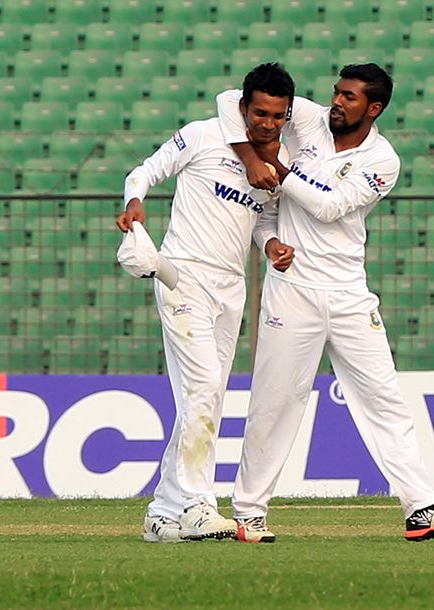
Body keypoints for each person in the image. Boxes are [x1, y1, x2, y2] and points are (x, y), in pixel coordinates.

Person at [216, 63, 434, 543]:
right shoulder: (308, 118)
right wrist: (260, 195)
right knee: (275, 403)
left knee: (384, 399)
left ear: (373, 108)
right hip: (292, 290)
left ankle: (421, 507)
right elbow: (229, 99)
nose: (336, 102)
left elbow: (329, 205)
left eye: (349, 97)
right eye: (337, 92)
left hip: (350, 293)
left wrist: (278, 169)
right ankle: (249, 513)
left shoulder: (383, 159)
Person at [117, 63, 296, 543]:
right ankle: (198, 505)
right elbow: (144, 172)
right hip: (183, 275)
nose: (267, 124)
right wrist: (135, 201)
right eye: (259, 113)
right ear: (244, 107)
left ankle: (162, 513)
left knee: (208, 394)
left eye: (277, 116)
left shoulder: (279, 160)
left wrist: (271, 244)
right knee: (202, 388)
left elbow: (262, 217)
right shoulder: (203, 135)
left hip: (231, 286)